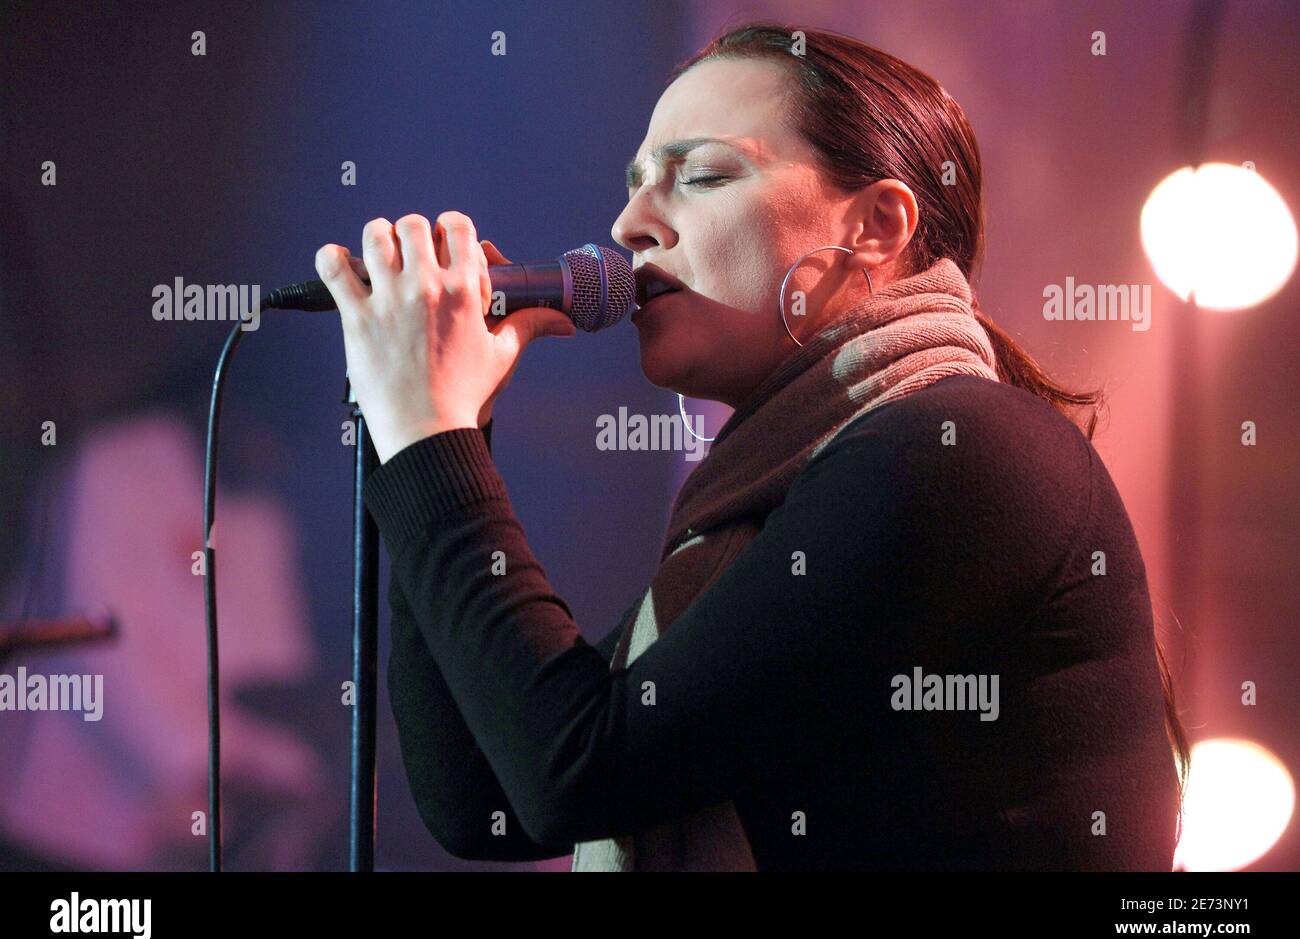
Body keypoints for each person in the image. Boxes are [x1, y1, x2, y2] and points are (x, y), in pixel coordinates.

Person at [313, 21, 1188, 870]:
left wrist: (434, 436)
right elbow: (486, 802)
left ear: (878, 226)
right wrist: (440, 436)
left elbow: (576, 770)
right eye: (633, 183)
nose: (628, 224)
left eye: (696, 176)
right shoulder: (769, 500)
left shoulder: (961, 450)